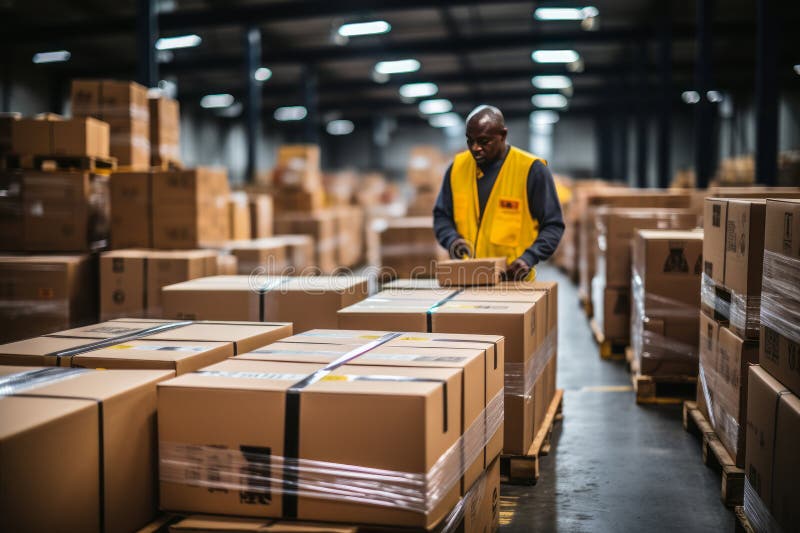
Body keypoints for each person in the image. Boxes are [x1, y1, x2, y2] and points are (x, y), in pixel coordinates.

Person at [433, 105, 565, 281]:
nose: (475, 148)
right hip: (467, 280)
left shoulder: (531, 170)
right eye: (469, 140)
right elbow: (442, 215)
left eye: (483, 141)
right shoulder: (457, 168)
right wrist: (452, 240)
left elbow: (553, 225)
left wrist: (529, 258)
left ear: (503, 135)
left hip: (513, 282)